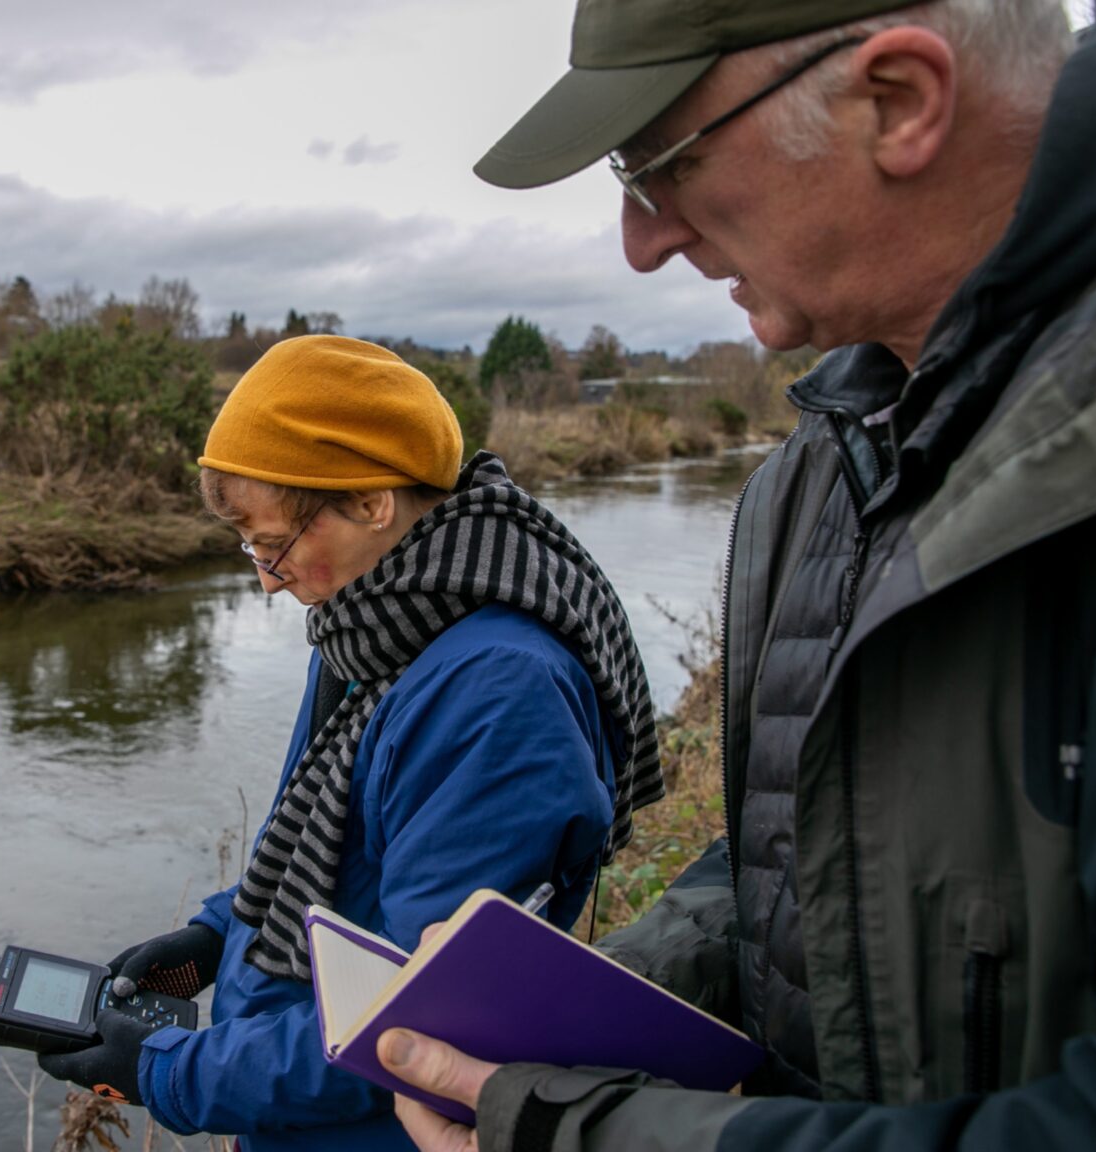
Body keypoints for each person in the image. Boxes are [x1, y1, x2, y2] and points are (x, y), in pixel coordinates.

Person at [377, 0, 1096, 1149]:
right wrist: (580, 1005)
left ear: (896, 100)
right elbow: (803, 848)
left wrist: (582, 1136)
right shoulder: (815, 474)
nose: (640, 240)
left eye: (658, 164)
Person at [37, 334, 666, 1150]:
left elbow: (426, 1022)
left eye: (275, 546)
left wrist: (169, 1071)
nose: (266, 579)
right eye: (251, 548)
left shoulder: (498, 695)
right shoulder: (372, 629)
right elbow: (332, 869)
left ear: (372, 501)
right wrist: (220, 932)